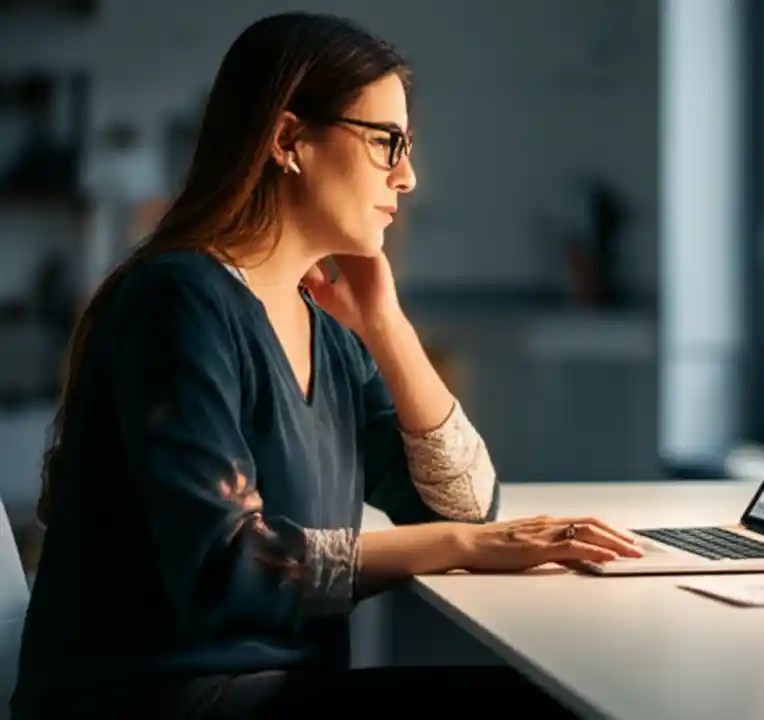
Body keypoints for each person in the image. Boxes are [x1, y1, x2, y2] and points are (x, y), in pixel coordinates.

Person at [10, 11, 643, 719]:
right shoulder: (178, 300)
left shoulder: (330, 334)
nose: (408, 176)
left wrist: (386, 325)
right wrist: (464, 544)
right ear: (288, 141)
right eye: (388, 143)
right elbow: (228, 569)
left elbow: (461, 503)